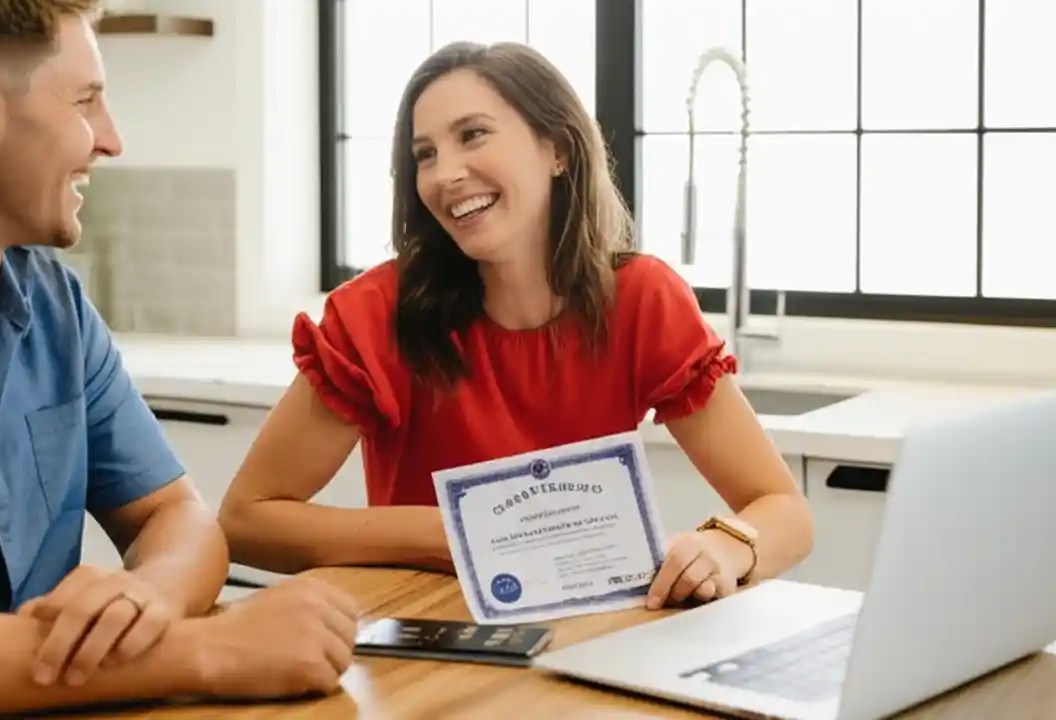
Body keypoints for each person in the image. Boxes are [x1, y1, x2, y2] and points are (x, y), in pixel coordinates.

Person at [0, 1, 357, 717]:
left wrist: (140, 601)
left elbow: (176, 516)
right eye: (86, 102)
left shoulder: (52, 302)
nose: (110, 140)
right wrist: (205, 651)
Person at [219, 41, 814, 610]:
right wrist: (454, 534)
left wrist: (725, 546)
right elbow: (247, 519)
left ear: (556, 149)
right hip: (425, 638)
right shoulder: (374, 315)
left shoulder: (641, 299)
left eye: (472, 135)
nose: (444, 174)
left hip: (591, 626)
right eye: (424, 154)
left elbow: (784, 509)